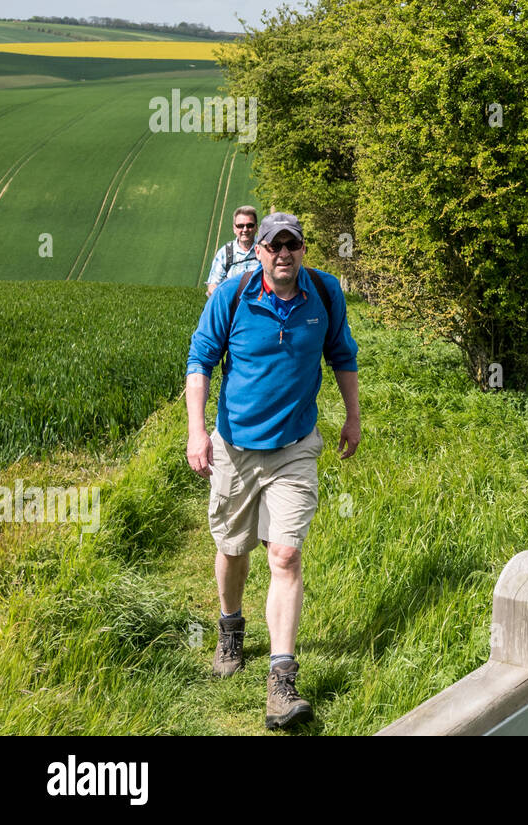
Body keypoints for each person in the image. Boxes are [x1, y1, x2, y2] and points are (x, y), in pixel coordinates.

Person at [185, 211, 360, 730]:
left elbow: (341, 356)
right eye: (274, 245)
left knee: (284, 553)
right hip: (235, 446)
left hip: (295, 445)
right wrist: (198, 432)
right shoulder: (233, 296)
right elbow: (200, 362)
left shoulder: (325, 294)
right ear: (258, 250)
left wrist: (352, 417)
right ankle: (231, 627)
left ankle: (282, 679)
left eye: (293, 245)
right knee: (233, 548)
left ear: (303, 250)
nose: (284, 253)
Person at [206, 206, 262, 296]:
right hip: (233, 305)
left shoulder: (265, 250)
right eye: (240, 226)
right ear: (234, 229)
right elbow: (213, 284)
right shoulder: (224, 253)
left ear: (256, 227)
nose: (245, 229)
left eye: (249, 225)